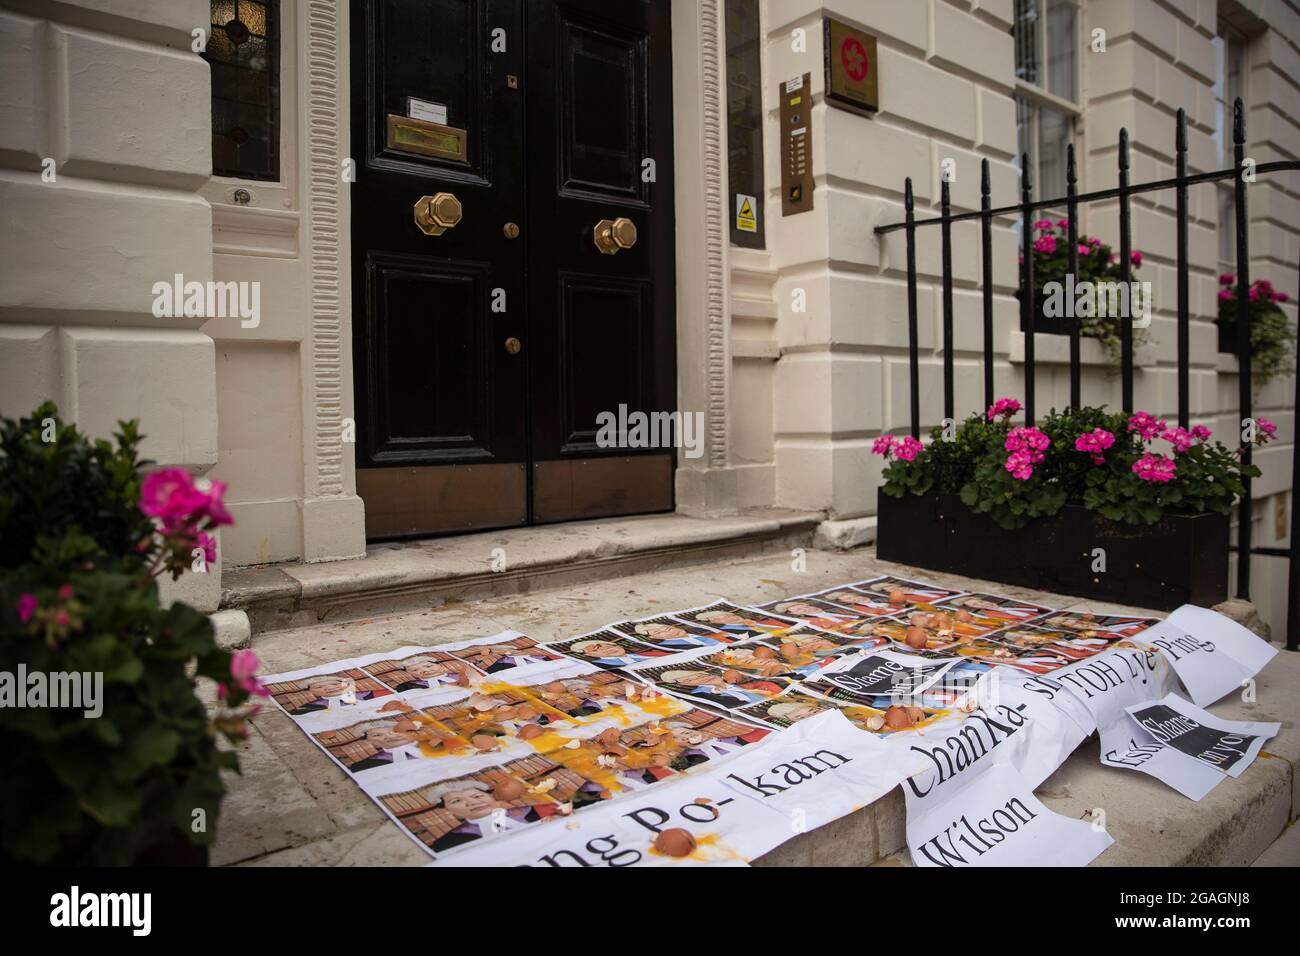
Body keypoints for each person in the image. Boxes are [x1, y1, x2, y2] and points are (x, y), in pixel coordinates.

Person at [425, 780, 541, 852]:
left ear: (492, 797)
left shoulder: (531, 811)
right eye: (456, 801)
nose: (473, 803)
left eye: (477, 796)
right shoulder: (448, 842)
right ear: (450, 811)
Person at [659, 668, 780, 707]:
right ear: (683, 685)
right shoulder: (703, 694)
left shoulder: (738, 685)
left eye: (699, 675)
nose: (702, 678)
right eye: (690, 680)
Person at [346, 722, 423, 772]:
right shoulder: (366, 765)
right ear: (369, 741)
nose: (389, 736)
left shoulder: (431, 743)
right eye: (378, 735)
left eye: (393, 732)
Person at [569, 637, 661, 668]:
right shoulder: (602, 665)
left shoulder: (651, 654)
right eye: (596, 649)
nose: (607, 648)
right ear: (589, 654)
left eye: (603, 645)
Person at [631, 620, 724, 649]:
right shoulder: (670, 647)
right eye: (659, 632)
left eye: (669, 628)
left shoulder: (697, 633)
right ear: (653, 637)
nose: (671, 632)